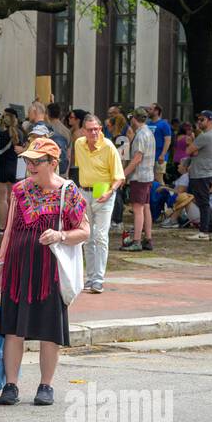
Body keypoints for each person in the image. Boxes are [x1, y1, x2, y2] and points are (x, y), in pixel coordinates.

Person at [0, 136, 90, 406]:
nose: (31, 166)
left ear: (53, 163)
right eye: (28, 161)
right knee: (13, 328)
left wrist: (60, 235)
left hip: (50, 273)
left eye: (37, 162)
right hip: (17, 269)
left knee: (49, 330)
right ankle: (10, 384)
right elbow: (10, 230)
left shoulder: (67, 192)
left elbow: (84, 231)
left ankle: (45, 385)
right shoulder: (19, 190)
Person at [71, 113, 124, 293]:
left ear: (101, 129)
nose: (94, 132)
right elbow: (79, 169)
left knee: (101, 236)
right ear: (84, 131)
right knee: (87, 236)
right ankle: (90, 277)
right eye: (90, 129)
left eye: (96, 129)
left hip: (104, 193)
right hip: (84, 192)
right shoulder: (79, 144)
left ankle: (98, 279)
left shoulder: (108, 147)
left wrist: (109, 192)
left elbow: (119, 177)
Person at [122, 107, 156, 252]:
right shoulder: (149, 132)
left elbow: (137, 158)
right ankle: (147, 238)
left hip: (139, 177)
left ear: (134, 119)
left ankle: (136, 241)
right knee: (146, 207)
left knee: (137, 209)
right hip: (148, 175)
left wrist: (123, 174)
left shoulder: (141, 135)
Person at [186, 109, 212, 240]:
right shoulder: (210, 135)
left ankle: (203, 232)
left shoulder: (205, 136)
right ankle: (208, 227)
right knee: (203, 202)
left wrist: (190, 142)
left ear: (210, 120)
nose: (199, 122)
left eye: (202, 120)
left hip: (201, 174)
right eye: (198, 119)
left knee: (203, 203)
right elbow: (194, 153)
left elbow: (189, 150)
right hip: (203, 172)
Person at [0, 108, 23, 230]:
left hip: (2, 169)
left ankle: (2, 226)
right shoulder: (19, 134)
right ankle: (12, 225)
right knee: (12, 199)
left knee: (2, 199)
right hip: (15, 169)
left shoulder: (0, 135)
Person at [147, 103, 173, 183]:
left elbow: (168, 140)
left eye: (151, 109)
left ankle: (163, 195)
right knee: (150, 179)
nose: (148, 111)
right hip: (149, 156)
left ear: (157, 111)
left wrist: (163, 154)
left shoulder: (164, 124)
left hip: (159, 156)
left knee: (158, 178)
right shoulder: (147, 124)